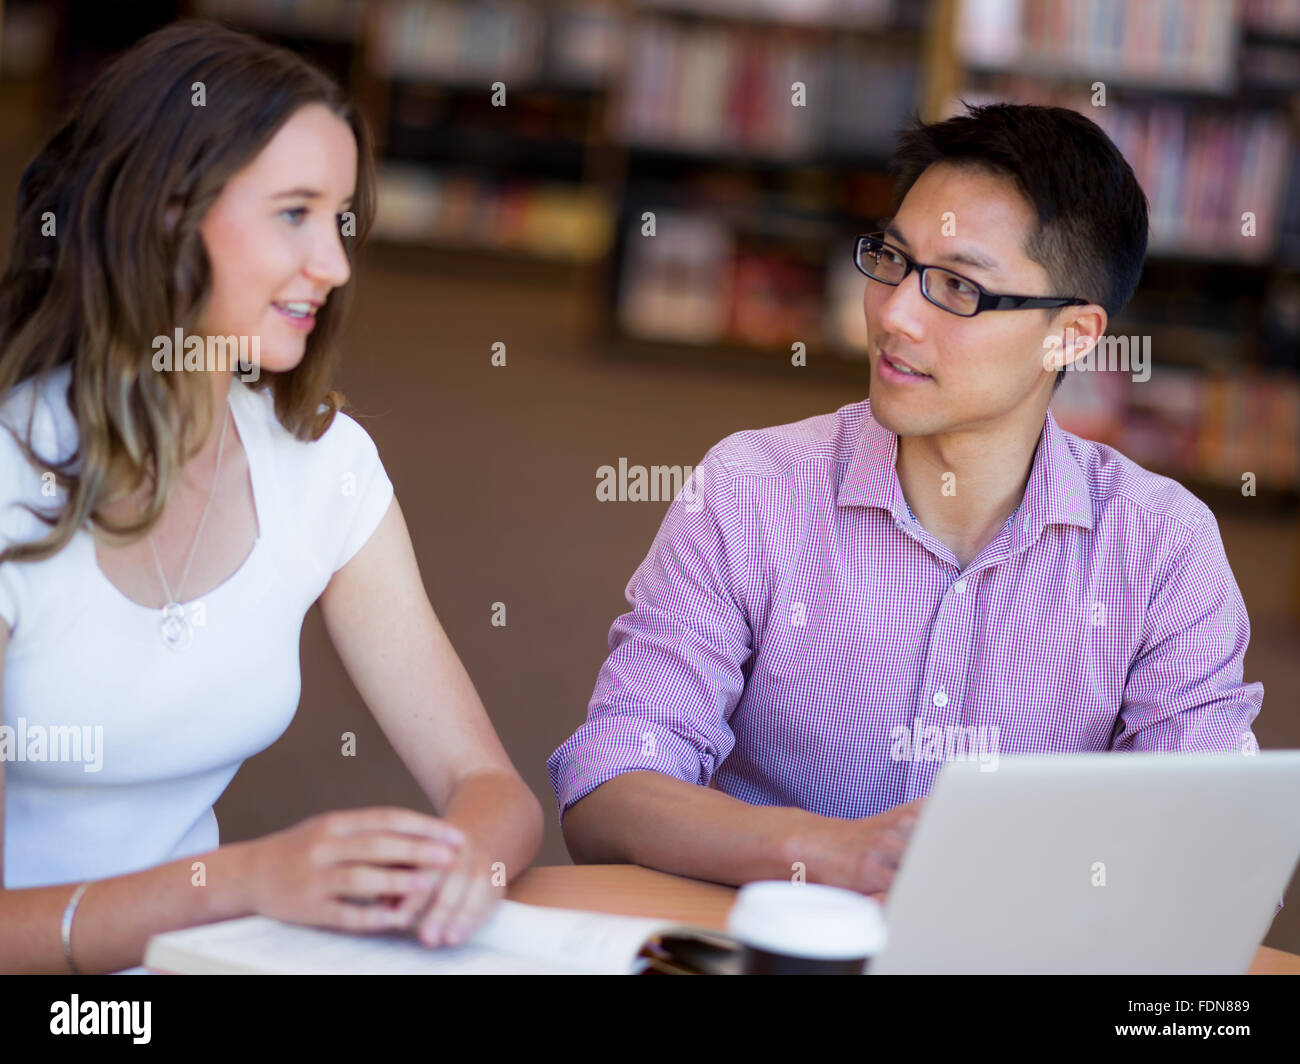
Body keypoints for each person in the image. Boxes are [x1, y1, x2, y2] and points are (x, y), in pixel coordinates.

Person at [549, 103, 1263, 896]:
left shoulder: (1164, 549)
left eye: (958, 286)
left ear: (1073, 337)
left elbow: (1214, 859)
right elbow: (609, 787)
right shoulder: (751, 489)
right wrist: (826, 852)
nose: (892, 314)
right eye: (892, 258)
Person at [0, 21, 542, 974]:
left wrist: (461, 871)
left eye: (340, 221)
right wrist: (242, 883)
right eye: (294, 213)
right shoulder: (12, 478)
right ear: (165, 212)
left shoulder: (322, 465)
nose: (334, 266)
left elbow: (488, 784)